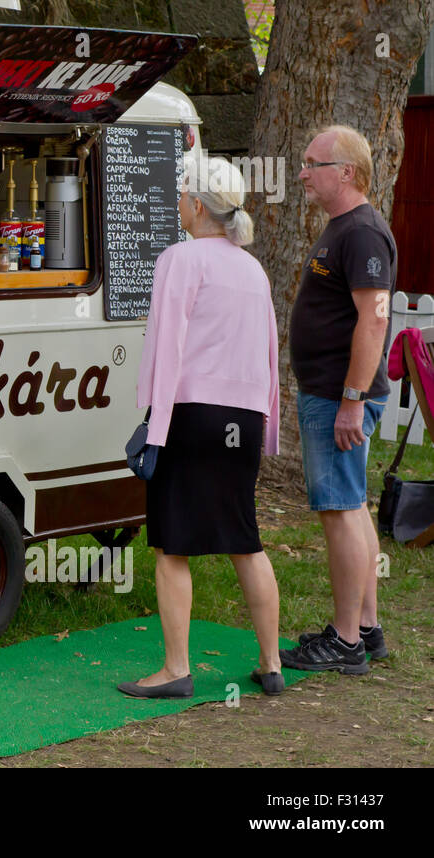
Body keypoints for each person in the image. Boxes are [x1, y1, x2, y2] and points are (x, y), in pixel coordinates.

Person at [118, 155, 284, 699]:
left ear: (196, 203)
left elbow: (165, 346)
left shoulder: (181, 258)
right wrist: (269, 428)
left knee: (172, 547)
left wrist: (154, 422)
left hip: (191, 414)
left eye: (182, 194)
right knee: (245, 540)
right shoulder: (253, 269)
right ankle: (271, 662)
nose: (177, 202)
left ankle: (176, 669)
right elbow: (268, 353)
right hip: (244, 418)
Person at [279, 126, 397, 675]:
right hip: (332, 393)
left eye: (313, 163)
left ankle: (346, 641)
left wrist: (352, 399)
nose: (303, 172)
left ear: (346, 172)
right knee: (351, 506)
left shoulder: (363, 232)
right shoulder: (344, 228)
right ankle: (366, 627)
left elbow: (374, 321)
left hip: (338, 397)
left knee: (340, 511)